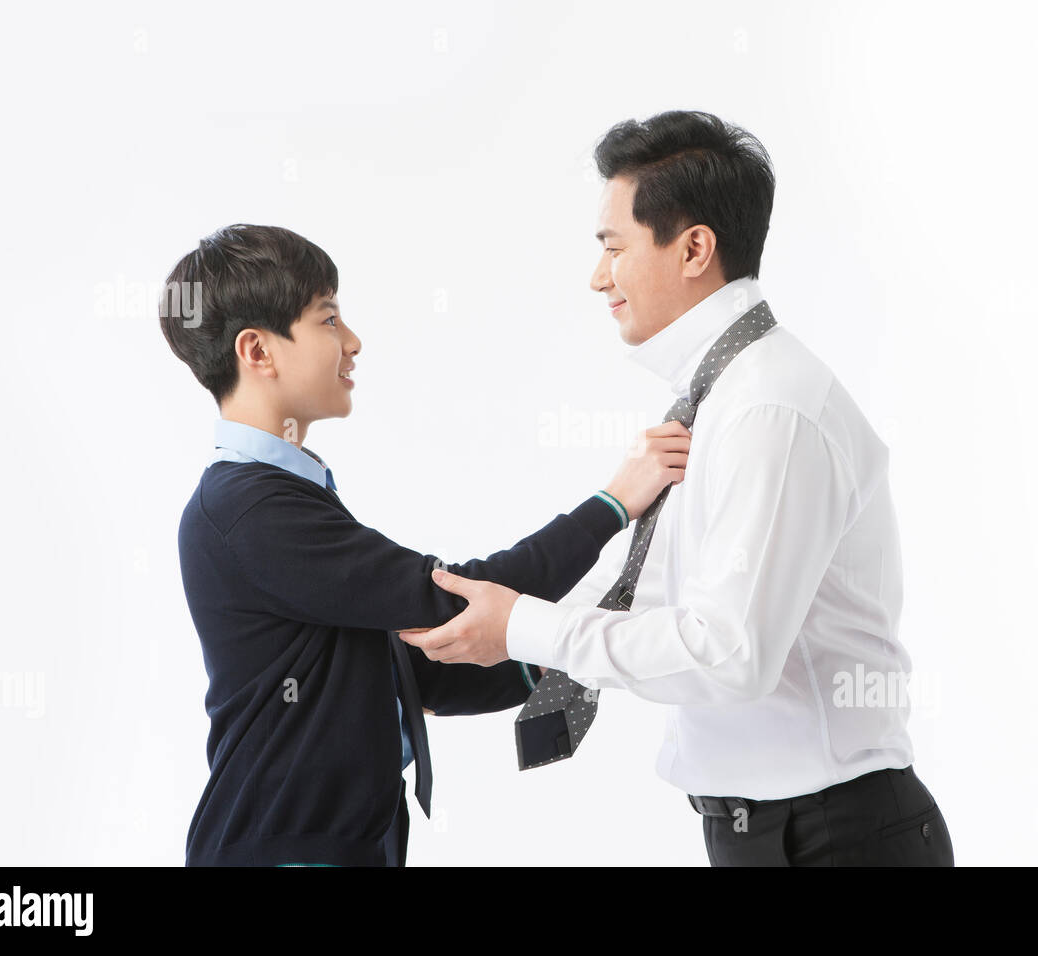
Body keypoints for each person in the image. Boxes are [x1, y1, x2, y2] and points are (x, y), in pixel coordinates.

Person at [400, 110, 954, 866]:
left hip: (833, 838)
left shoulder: (768, 407)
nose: (598, 277)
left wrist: (522, 627)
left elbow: (728, 654)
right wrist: (466, 658)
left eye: (612, 247)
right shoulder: (715, 401)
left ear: (694, 247)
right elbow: (647, 600)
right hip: (764, 832)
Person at [159, 223, 689, 865]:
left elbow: (403, 666)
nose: (353, 342)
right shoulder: (250, 508)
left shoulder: (277, 495)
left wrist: (543, 655)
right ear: (258, 351)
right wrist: (612, 504)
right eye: (328, 320)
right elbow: (448, 598)